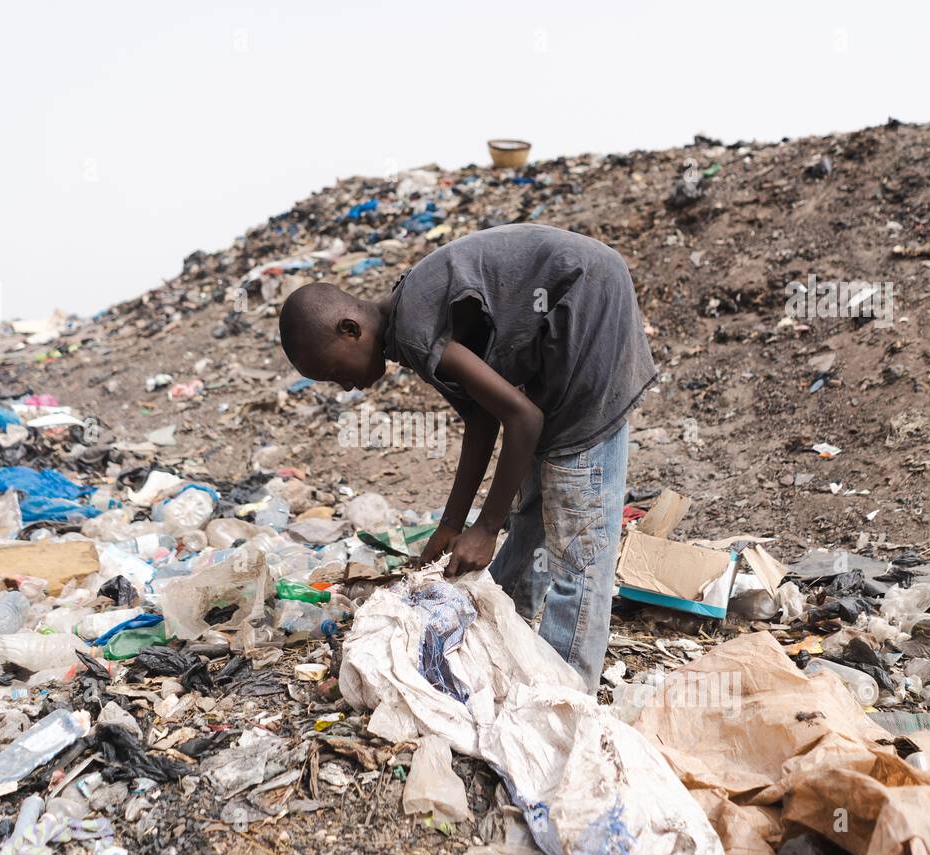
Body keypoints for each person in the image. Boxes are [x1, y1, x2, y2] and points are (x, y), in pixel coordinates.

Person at [277, 223, 657, 690]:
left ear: (350, 330)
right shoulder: (406, 326)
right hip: (570, 308)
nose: (346, 386)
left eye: (336, 372)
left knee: (577, 508)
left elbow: (522, 418)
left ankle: (564, 697)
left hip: (587, 303)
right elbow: (482, 419)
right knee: (537, 491)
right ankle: (500, 629)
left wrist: (485, 528)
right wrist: (453, 525)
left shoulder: (414, 327)